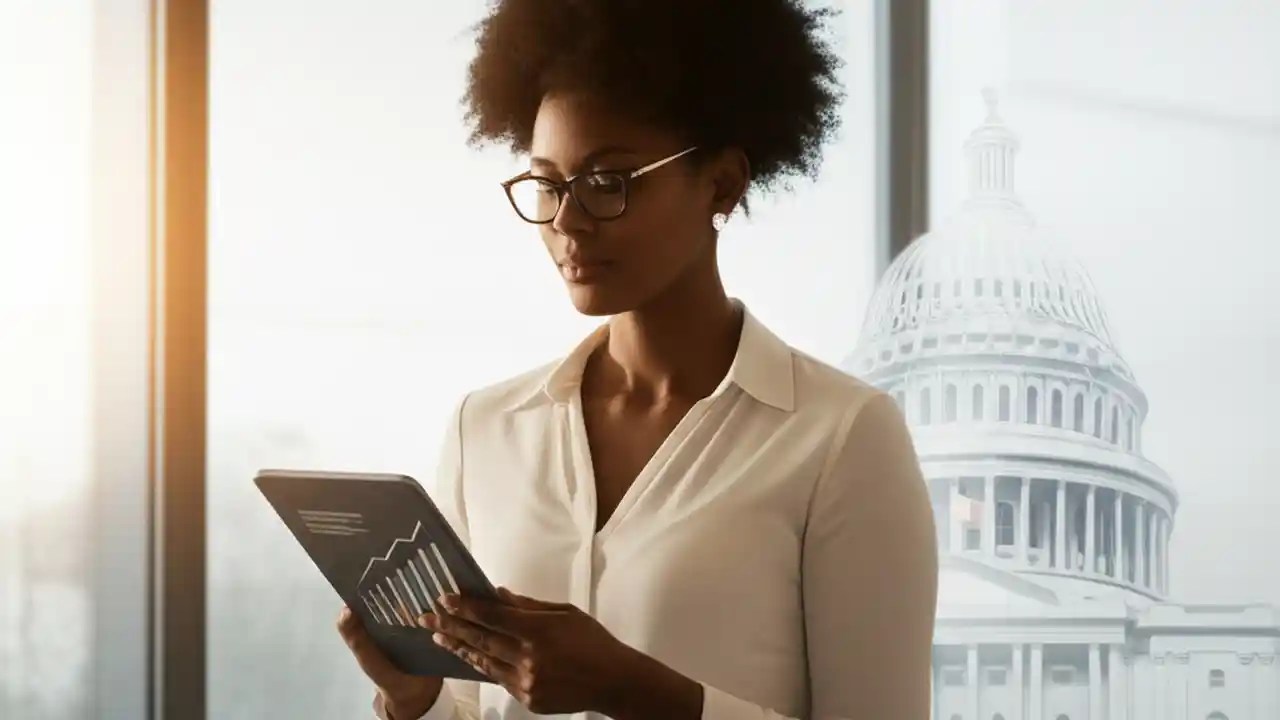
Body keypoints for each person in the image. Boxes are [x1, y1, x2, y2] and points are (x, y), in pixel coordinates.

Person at [337, 0, 938, 718]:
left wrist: (632, 690)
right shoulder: (486, 428)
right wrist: (417, 701)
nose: (567, 221)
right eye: (548, 184)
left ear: (722, 183)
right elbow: (473, 707)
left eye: (607, 183)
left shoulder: (841, 437)